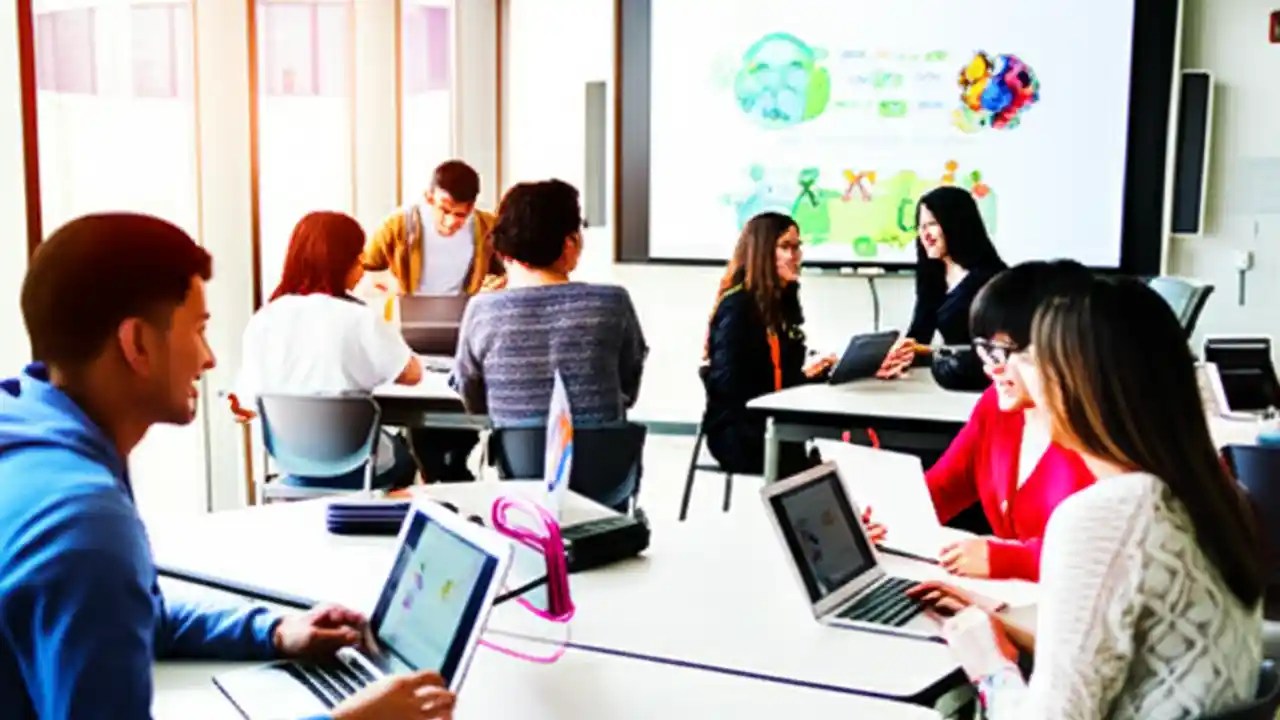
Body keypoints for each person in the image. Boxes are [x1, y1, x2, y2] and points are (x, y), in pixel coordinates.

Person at [0, 213, 454, 719]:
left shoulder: (31, 427)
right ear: (138, 344)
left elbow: (133, 615)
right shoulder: (81, 520)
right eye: (197, 330)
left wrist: (276, 632)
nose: (209, 358)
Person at [911, 276, 1263, 717]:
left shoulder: (1110, 514)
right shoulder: (1206, 492)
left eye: (1029, 358)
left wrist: (990, 667)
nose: (1010, 371)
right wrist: (991, 614)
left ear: (1079, 381)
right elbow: (1106, 637)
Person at [868, 261, 1096, 581]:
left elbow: (1100, 554)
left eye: (1001, 351)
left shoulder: (1100, 431)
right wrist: (888, 517)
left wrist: (1007, 560)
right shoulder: (998, 405)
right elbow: (945, 486)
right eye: (984, 349)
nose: (991, 367)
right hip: (1014, 602)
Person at [236, 211, 420, 490]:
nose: (362, 269)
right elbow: (412, 375)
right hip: (358, 465)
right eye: (358, 259)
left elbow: (247, 404)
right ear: (340, 264)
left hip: (290, 464)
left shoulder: (264, 319)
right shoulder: (359, 317)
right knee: (406, 456)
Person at [451, 179, 647, 427]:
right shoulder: (612, 304)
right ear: (571, 243)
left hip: (517, 463)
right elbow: (628, 386)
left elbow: (472, 397)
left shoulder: (482, 310)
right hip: (601, 462)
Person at [363, 159, 499, 481]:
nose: (451, 221)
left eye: (460, 214)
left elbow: (511, 271)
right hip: (409, 341)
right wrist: (385, 285)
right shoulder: (398, 226)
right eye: (444, 209)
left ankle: (443, 477)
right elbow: (363, 271)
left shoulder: (488, 229)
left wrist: (498, 284)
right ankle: (442, 478)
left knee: (459, 421)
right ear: (428, 197)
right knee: (426, 429)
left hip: (463, 337)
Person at [701, 211, 837, 475]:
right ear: (763, 252)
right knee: (835, 457)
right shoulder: (738, 307)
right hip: (741, 434)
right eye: (786, 247)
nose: (795, 255)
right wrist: (800, 378)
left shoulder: (781, 302)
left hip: (771, 419)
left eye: (797, 247)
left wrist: (813, 373)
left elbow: (782, 375)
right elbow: (732, 387)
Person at [879, 185, 1007, 385]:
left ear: (955, 225)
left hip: (983, 384)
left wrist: (931, 353)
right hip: (946, 383)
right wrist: (896, 357)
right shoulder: (932, 274)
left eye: (932, 224)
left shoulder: (994, 279)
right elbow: (919, 335)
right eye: (920, 227)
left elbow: (995, 352)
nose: (925, 234)